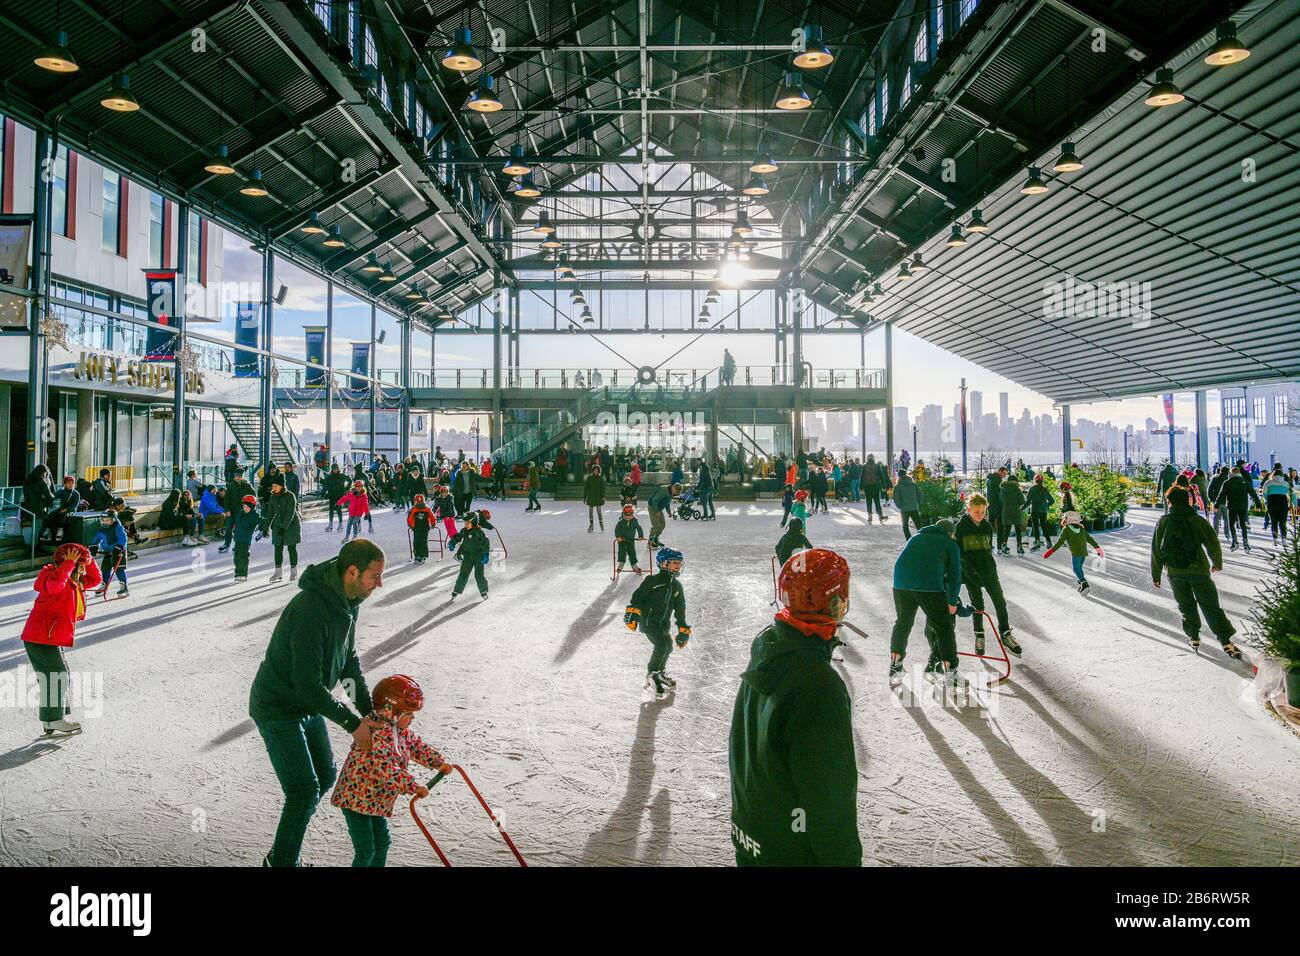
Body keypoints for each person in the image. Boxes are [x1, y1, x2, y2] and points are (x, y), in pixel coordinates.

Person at [249, 539, 386, 867]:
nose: (379, 583)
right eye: (375, 576)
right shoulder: (311, 608)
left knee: (324, 777)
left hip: (307, 704)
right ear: (352, 571)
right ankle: (281, 864)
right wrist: (353, 725)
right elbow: (307, 686)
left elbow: (347, 661)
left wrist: (368, 710)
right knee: (303, 792)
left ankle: (281, 859)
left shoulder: (349, 600)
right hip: (278, 707)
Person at [729, 548, 858, 866]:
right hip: (793, 854)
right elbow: (828, 795)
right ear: (833, 601)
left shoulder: (769, 647)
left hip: (754, 837)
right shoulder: (817, 684)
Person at [330, 674, 450, 867]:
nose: (412, 718)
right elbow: (385, 768)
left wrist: (438, 762)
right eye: (408, 713)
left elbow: (416, 746)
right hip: (356, 798)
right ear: (390, 711)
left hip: (374, 800)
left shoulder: (398, 729)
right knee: (366, 849)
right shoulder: (378, 731)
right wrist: (413, 786)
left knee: (382, 843)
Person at [21, 542, 103, 737]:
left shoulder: (75, 580)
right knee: (56, 676)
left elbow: (96, 580)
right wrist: (68, 564)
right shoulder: (52, 576)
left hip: (51, 637)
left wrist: (89, 560)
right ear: (70, 564)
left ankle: (57, 717)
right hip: (39, 638)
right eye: (81, 564)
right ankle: (52, 718)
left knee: (61, 674)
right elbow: (55, 586)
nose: (84, 569)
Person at [1151, 487, 1243, 659]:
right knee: (1210, 606)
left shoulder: (1163, 521)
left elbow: (1156, 549)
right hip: (1199, 571)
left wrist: (1156, 574)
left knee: (1186, 606)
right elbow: (1212, 541)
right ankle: (1226, 641)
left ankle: (1193, 637)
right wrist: (1217, 562)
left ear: (1169, 501)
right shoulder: (1196, 519)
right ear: (1188, 500)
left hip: (1175, 572)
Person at [888, 518, 963, 687]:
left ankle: (895, 666)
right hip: (929, 587)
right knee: (944, 628)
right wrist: (952, 601)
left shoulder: (916, 537)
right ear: (951, 533)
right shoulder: (949, 543)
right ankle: (951, 674)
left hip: (900, 583)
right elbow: (955, 577)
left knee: (903, 623)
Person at [953, 494, 1021, 657]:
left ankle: (1005, 634)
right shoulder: (960, 527)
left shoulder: (987, 526)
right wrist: (970, 572)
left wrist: (988, 568)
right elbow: (959, 553)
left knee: (1000, 601)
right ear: (969, 509)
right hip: (970, 572)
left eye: (983, 512)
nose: (980, 515)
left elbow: (987, 549)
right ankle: (979, 635)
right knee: (978, 604)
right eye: (977, 511)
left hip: (988, 570)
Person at [625, 547, 690, 697]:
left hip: (663, 625)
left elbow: (680, 609)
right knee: (661, 646)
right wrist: (632, 612)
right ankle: (652, 675)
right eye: (674, 563)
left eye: (679, 563)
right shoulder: (653, 581)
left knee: (668, 647)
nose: (678, 566)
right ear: (663, 563)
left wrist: (683, 628)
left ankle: (659, 673)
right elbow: (637, 597)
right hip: (648, 622)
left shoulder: (677, 586)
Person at [1043, 511, 1103, 594]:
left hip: (1076, 553)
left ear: (1067, 520)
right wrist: (1097, 548)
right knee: (1079, 569)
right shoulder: (1081, 529)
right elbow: (1090, 539)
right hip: (1083, 553)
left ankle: (1084, 583)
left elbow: (1060, 542)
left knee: (1076, 569)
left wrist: (1052, 550)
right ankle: (1082, 585)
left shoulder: (1066, 529)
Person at [1214, 465, 1261, 551]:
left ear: (1231, 473)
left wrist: (1216, 505)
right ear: (1239, 473)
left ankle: (1234, 541)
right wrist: (1258, 505)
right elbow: (1253, 494)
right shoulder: (1245, 482)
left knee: (1231, 524)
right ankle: (1246, 543)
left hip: (1232, 506)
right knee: (1243, 525)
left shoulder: (1227, 482)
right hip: (1243, 506)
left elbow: (1221, 495)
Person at [448, 510, 492, 601]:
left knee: (479, 575)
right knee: (463, 574)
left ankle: (483, 591)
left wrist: (485, 554)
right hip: (467, 556)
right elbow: (458, 537)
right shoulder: (464, 531)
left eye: (468, 522)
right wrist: (452, 542)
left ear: (474, 522)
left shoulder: (479, 532)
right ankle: (457, 590)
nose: (466, 525)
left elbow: (485, 543)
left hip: (478, 557)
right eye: (465, 523)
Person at [267, 475, 302, 583]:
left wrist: (284, 527)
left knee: (291, 547)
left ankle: (294, 571)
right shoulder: (273, 497)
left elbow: (290, 513)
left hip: (292, 525)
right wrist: (265, 527)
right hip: (278, 525)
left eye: (276, 486)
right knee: (278, 548)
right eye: (273, 486)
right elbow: (270, 513)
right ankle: (278, 572)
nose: (274, 488)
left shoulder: (290, 496)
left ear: (282, 486)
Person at [90, 509, 129, 598]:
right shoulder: (102, 529)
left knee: (118, 569)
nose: (105, 522)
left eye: (107, 520)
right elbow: (97, 538)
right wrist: (94, 546)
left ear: (113, 520)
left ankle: (124, 586)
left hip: (119, 551)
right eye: (103, 520)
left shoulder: (118, 528)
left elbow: (123, 538)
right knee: (105, 568)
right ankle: (104, 584)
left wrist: (119, 547)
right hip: (108, 552)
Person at [221, 468, 257, 552]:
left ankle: (237, 544)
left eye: (239, 476)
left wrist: (250, 510)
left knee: (239, 529)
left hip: (242, 512)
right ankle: (226, 544)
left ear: (242, 477)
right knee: (229, 527)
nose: (237, 478)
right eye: (236, 476)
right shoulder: (230, 485)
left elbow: (253, 497)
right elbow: (227, 499)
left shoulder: (247, 486)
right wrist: (227, 510)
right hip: (232, 511)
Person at [230, 495, 262, 582]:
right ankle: (238, 572)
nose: (245, 508)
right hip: (237, 538)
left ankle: (243, 573)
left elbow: (262, 522)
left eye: (247, 507)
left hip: (245, 539)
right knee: (236, 557)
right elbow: (236, 521)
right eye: (244, 506)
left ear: (252, 506)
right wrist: (234, 529)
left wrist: (263, 530)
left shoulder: (255, 515)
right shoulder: (241, 512)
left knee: (243, 556)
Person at [24, 465, 56, 544]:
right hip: (39, 506)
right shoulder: (41, 480)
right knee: (37, 526)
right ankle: (34, 546)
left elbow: (26, 494)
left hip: (28, 506)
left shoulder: (28, 479)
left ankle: (29, 544)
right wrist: (55, 497)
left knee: (31, 526)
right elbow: (49, 495)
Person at [46, 475, 81, 545]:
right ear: (64, 484)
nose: (71, 485)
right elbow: (53, 498)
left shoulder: (75, 493)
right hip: (60, 510)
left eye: (72, 483)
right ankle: (51, 535)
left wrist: (66, 509)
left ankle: (62, 535)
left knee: (64, 520)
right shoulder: (60, 492)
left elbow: (74, 505)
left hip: (70, 512)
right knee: (51, 518)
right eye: (69, 483)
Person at [998, 471, 1026, 555]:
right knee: (1018, 530)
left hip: (1006, 510)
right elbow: (1022, 501)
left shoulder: (1003, 489)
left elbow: (1000, 500)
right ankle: (1019, 547)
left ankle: (1004, 546)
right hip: (1016, 510)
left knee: (1007, 529)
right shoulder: (1017, 489)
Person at [1262, 466, 1291, 545]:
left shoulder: (1268, 482)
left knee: (1274, 521)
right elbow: (1290, 494)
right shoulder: (1285, 483)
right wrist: (1293, 503)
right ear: (1282, 475)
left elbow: (1264, 494)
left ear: (1272, 474)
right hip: (1283, 504)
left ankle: (1275, 540)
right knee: (1282, 522)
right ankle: (1284, 540)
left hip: (1272, 503)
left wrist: (1267, 501)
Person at [1026, 474, 1054, 551]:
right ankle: (1049, 541)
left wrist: (1022, 508)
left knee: (1035, 526)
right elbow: (1052, 500)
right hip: (1043, 510)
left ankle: (1037, 542)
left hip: (1035, 510)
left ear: (1035, 480)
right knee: (1043, 526)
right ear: (1042, 481)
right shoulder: (1044, 489)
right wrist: (1046, 505)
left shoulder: (1032, 489)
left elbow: (1028, 501)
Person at [892, 469, 922, 539]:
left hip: (904, 509)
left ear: (898, 476)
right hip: (914, 507)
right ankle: (921, 539)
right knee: (919, 526)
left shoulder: (897, 487)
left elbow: (896, 498)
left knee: (905, 526)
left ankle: (909, 540)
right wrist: (917, 503)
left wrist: (900, 506)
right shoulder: (914, 485)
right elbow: (921, 495)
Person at [615, 504, 645, 573]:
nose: (628, 517)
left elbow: (639, 528)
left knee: (632, 552)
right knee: (622, 551)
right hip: (622, 540)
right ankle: (621, 564)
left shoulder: (634, 521)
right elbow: (617, 529)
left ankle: (634, 565)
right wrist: (618, 536)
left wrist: (640, 536)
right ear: (623, 514)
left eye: (630, 515)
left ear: (632, 514)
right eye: (626, 515)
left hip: (630, 539)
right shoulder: (621, 521)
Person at [407, 494, 436, 563]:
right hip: (417, 528)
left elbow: (432, 517)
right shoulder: (414, 509)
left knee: (422, 541)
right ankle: (418, 556)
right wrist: (410, 525)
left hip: (424, 528)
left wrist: (433, 523)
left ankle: (423, 556)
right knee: (418, 541)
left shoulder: (427, 509)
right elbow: (410, 518)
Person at [647, 482, 677, 548]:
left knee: (662, 524)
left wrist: (669, 512)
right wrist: (657, 511)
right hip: (653, 507)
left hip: (659, 508)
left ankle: (655, 539)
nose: (675, 494)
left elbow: (667, 503)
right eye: (676, 492)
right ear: (673, 487)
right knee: (656, 524)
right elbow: (655, 500)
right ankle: (650, 542)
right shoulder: (664, 490)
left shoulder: (671, 492)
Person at [324, 465, 348, 532]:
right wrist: (323, 492)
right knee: (331, 510)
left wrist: (346, 489)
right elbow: (326, 485)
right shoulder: (329, 477)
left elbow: (349, 481)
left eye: (336, 469)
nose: (335, 470)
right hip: (332, 495)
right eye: (334, 469)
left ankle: (340, 524)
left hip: (339, 496)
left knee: (338, 509)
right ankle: (330, 524)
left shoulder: (342, 476)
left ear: (338, 469)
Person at [583, 465, 606, 533]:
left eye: (597, 471)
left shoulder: (600, 479)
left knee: (599, 511)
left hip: (598, 497)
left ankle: (601, 524)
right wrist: (584, 497)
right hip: (591, 497)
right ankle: (591, 525)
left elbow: (603, 489)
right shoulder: (590, 478)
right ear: (593, 471)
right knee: (590, 512)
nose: (595, 472)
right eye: (594, 470)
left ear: (599, 471)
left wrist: (603, 497)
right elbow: (586, 488)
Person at [985, 466, 1005, 542]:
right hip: (998, 505)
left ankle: (988, 543)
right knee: (1000, 525)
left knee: (991, 524)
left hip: (990, 505)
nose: (1004, 475)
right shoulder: (998, 480)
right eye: (1003, 473)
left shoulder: (989, 479)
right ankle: (1000, 544)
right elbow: (999, 494)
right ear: (999, 471)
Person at [861, 455, 883, 523]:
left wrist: (861, 486)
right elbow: (881, 476)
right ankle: (880, 516)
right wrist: (883, 485)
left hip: (867, 487)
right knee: (877, 501)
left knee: (869, 502)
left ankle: (870, 516)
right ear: (873, 458)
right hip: (876, 486)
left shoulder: (864, 466)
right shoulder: (877, 466)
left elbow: (862, 477)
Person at [696, 456, 715, 521]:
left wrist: (697, 488)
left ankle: (706, 516)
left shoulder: (703, 470)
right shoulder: (706, 469)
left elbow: (702, 481)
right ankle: (713, 515)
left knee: (704, 502)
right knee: (710, 502)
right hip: (711, 487)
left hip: (706, 488)